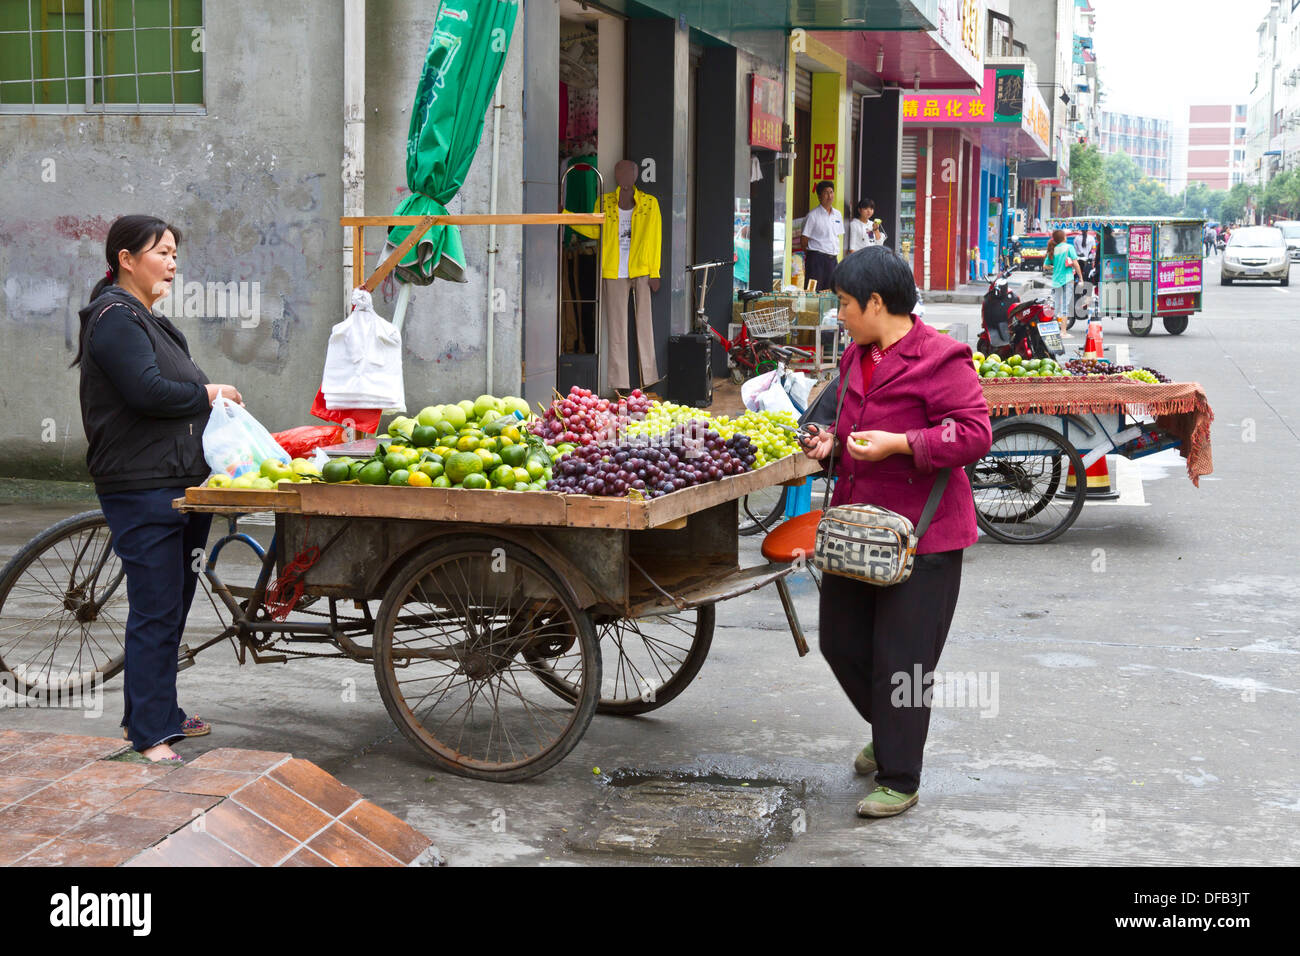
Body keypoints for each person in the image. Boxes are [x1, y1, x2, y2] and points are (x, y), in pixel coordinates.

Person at [799, 246, 993, 818]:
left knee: (903, 662)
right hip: (858, 530)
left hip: (922, 535)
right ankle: (890, 728)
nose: (839, 315)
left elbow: (975, 434)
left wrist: (903, 444)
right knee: (840, 642)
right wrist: (829, 441)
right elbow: (839, 419)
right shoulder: (855, 356)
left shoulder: (941, 359)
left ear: (875, 303)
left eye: (843, 304)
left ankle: (900, 776)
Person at [74, 215, 242, 763]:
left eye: (175, 253)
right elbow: (147, 393)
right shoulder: (115, 318)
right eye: (161, 252)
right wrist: (209, 391)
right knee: (155, 607)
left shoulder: (157, 324)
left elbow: (175, 390)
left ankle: (157, 712)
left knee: (173, 607)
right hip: (141, 485)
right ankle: (148, 734)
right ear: (126, 258)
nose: (172, 262)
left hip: (181, 481)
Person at [567, 159, 663, 390]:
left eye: (629, 172)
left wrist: (655, 271)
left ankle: (648, 380)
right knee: (617, 327)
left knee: (644, 324)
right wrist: (567, 215)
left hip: (641, 269)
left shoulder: (650, 203)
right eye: (620, 172)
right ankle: (620, 384)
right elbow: (593, 229)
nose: (624, 176)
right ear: (615, 176)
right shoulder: (605, 202)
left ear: (636, 175)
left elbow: (655, 238)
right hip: (613, 270)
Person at [802, 180, 844, 291]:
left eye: (831, 192)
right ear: (819, 196)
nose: (829, 196)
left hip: (832, 259)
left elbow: (836, 237)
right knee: (814, 292)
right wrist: (813, 255)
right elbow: (804, 240)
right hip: (817, 260)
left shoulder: (838, 214)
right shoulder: (812, 216)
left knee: (831, 292)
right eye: (826, 193)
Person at [1046, 229, 1082, 320]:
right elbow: (1076, 264)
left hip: (1056, 280)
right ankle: (1063, 331)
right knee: (1065, 306)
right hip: (1067, 279)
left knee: (1056, 305)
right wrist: (1081, 278)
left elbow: (1045, 265)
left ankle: (1053, 326)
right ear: (1063, 238)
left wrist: (1053, 267)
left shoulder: (1053, 249)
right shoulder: (1069, 247)